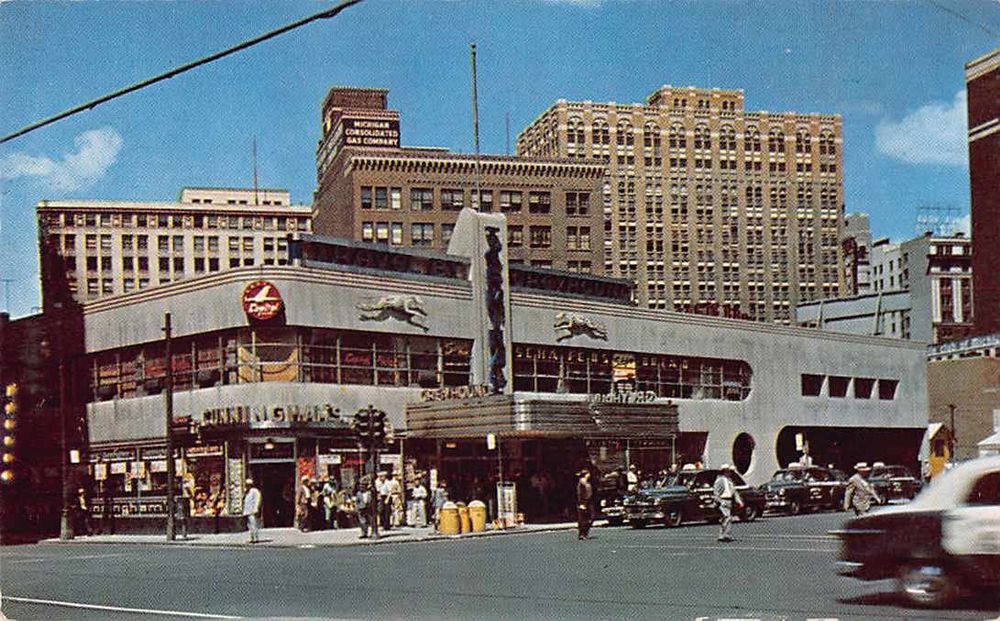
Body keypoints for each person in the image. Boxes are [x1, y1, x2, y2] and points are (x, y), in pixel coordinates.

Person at [713, 464, 741, 542]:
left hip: (729, 501)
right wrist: (719, 501)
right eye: (728, 471)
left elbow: (734, 491)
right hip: (723, 500)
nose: (730, 473)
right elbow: (716, 492)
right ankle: (725, 535)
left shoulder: (729, 480)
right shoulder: (719, 480)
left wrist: (738, 500)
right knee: (727, 517)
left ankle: (723, 535)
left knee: (726, 518)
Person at [243, 478, 262, 544]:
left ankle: (256, 538)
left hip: (252, 511)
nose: (246, 486)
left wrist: (256, 508)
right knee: (249, 525)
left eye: (247, 485)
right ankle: (252, 538)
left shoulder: (255, 491)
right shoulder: (247, 492)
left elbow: (257, 499)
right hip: (247, 511)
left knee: (253, 524)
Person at [576, 470, 593, 540]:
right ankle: (582, 534)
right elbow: (580, 494)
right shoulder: (581, 483)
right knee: (583, 519)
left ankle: (585, 533)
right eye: (588, 473)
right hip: (583, 503)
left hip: (588, 502)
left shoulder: (587, 483)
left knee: (590, 517)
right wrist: (582, 503)